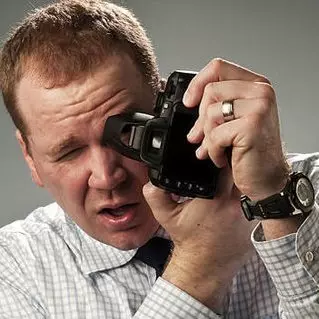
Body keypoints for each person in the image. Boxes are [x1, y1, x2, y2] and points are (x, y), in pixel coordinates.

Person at [0, 0, 318, 318]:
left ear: (164, 108)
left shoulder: (309, 191)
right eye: (69, 152)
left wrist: (278, 203)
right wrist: (198, 263)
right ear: (30, 158)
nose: (107, 176)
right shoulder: (14, 269)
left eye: (125, 133)